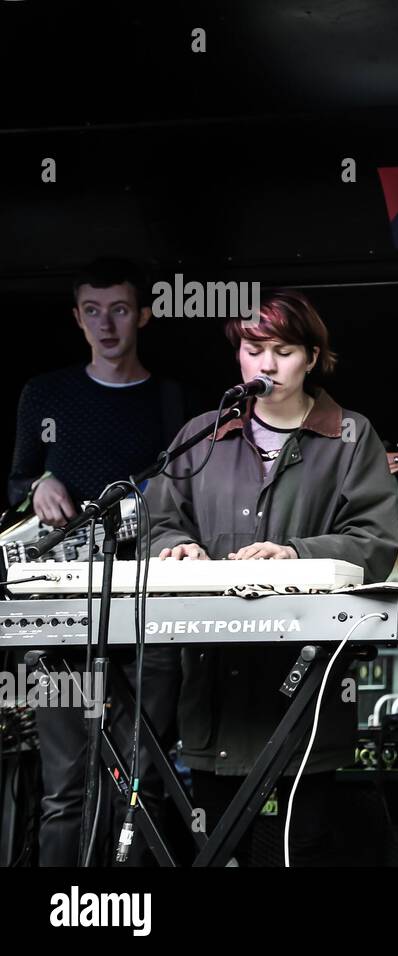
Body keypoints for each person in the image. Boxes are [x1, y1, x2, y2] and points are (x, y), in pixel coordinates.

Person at [145, 289, 398, 865]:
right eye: (253, 348)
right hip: (212, 697)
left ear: (312, 357)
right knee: (215, 845)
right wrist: (176, 547)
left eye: (283, 350)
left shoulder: (352, 436)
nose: (266, 364)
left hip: (303, 701)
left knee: (297, 846)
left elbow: (375, 542)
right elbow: (159, 524)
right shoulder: (199, 435)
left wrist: (295, 553)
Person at [6, 257, 184, 866]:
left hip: (144, 605)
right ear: (77, 318)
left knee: (144, 786)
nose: (106, 325)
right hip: (58, 605)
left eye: (118, 310)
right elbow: (17, 480)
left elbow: (184, 489)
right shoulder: (46, 393)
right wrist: (35, 489)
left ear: (142, 316)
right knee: (65, 790)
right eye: (92, 311)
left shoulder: (168, 398)